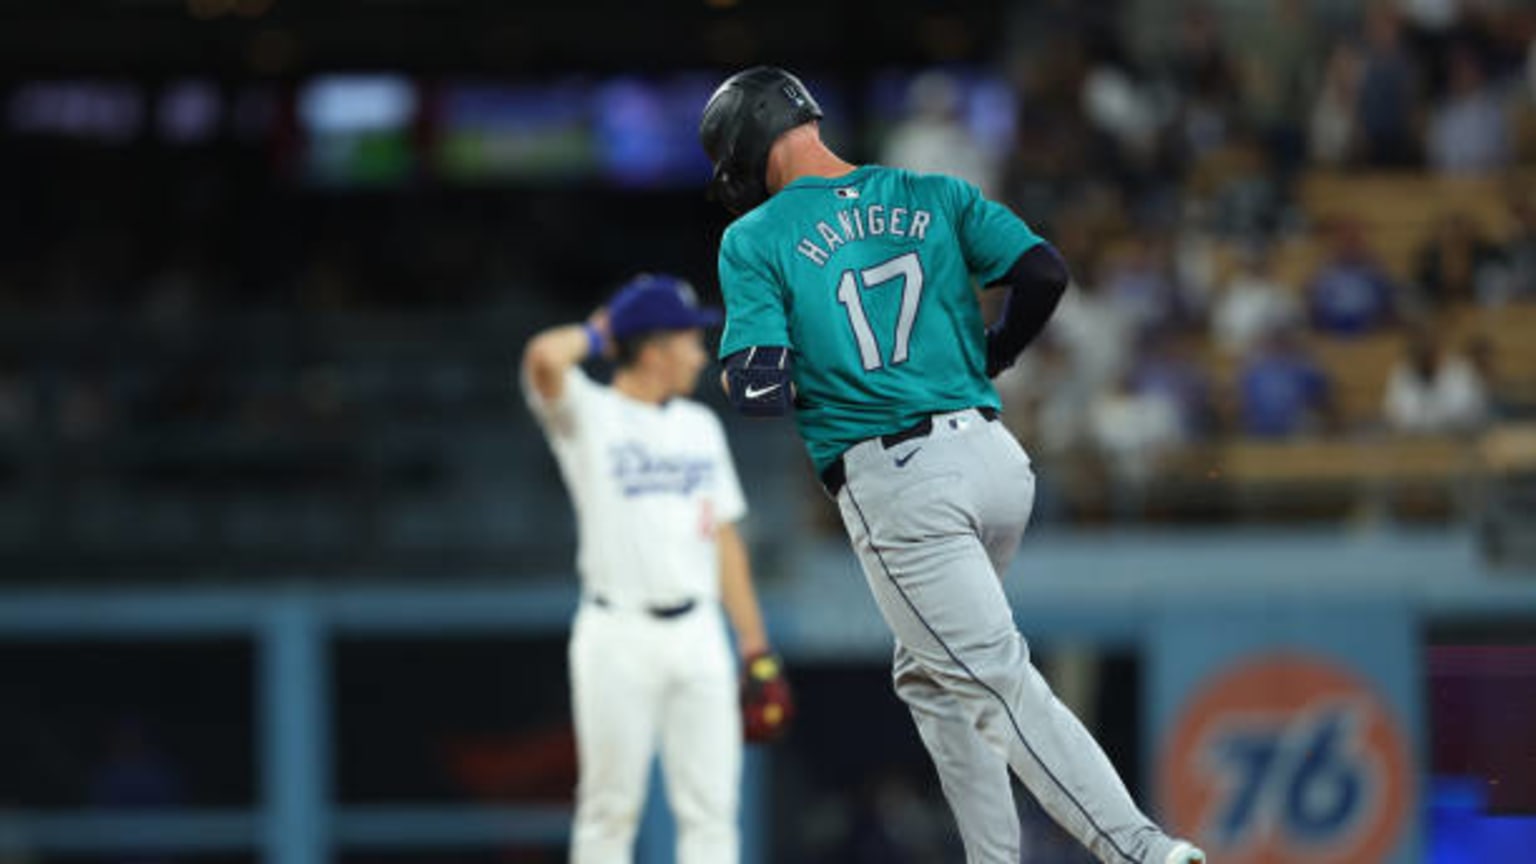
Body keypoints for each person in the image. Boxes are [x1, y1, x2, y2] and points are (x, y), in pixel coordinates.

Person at [699, 66, 1204, 864]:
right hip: (996, 462)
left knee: (996, 680)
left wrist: (748, 369)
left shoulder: (753, 237)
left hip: (902, 482)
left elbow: (761, 387)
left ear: (747, 143)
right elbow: (1043, 273)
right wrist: (994, 353)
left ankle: (1142, 851)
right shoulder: (930, 191)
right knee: (935, 678)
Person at [520, 274, 785, 864]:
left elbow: (725, 544)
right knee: (610, 810)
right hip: (617, 630)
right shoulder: (589, 413)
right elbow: (543, 357)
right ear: (656, 347)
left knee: (713, 812)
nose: (700, 351)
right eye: (690, 339)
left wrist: (755, 648)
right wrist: (603, 330)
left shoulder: (701, 426)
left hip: (698, 633)